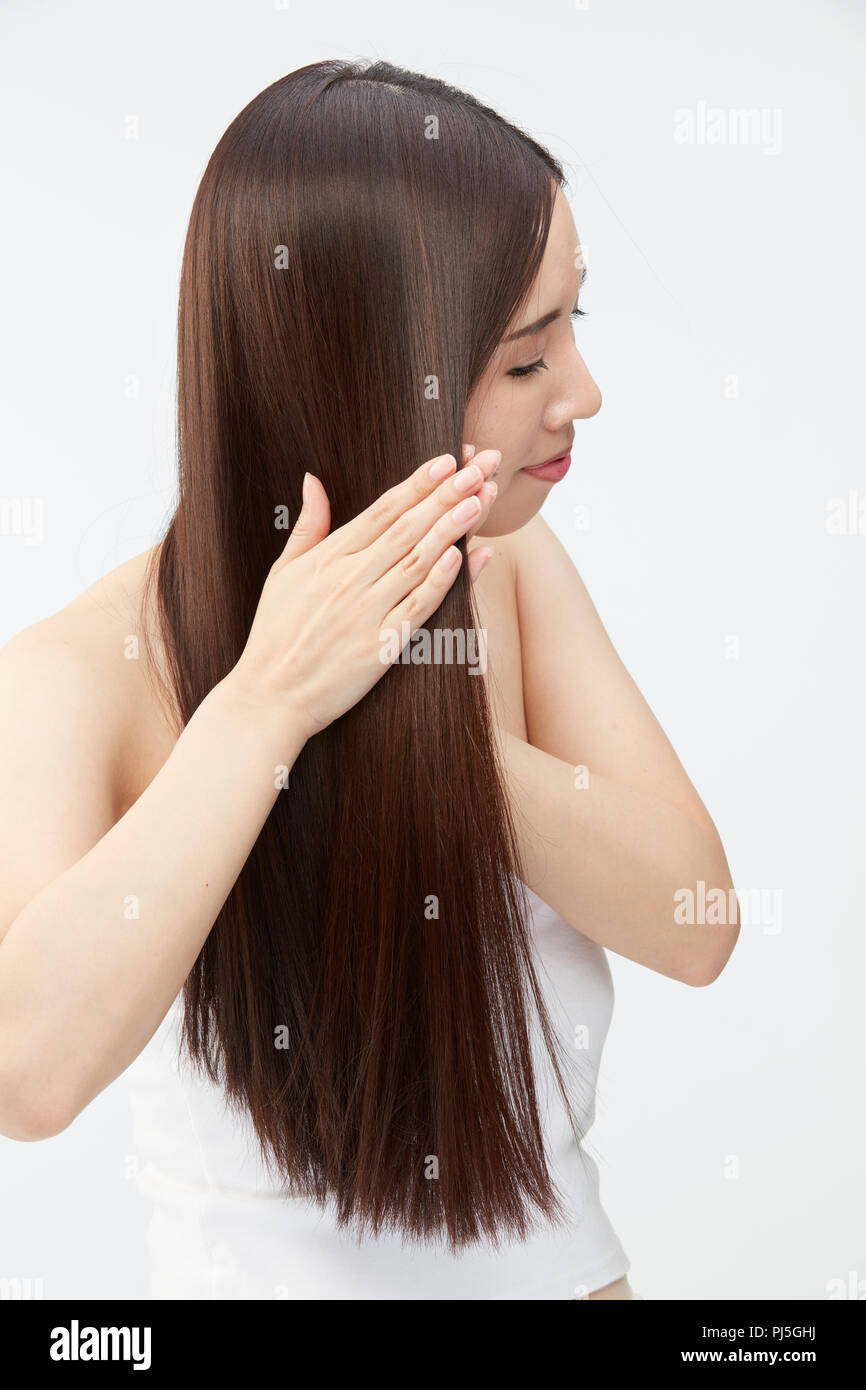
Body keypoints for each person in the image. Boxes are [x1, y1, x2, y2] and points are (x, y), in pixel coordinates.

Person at [0, 60, 738, 1300]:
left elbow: (699, 925)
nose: (584, 395)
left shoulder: (512, 567)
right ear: (369, 375)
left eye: (575, 322)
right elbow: (28, 1077)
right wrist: (272, 703)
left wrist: (445, 739)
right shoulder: (80, 671)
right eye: (521, 360)